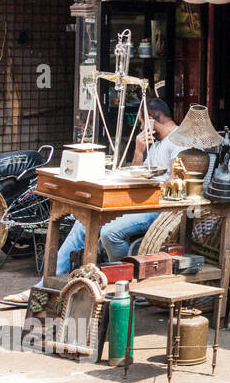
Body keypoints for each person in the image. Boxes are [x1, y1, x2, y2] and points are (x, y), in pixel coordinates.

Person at [54, 99, 180, 275]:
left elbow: (177, 181)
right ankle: (48, 281)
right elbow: (139, 171)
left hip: (159, 208)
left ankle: (120, 277)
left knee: (110, 233)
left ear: (151, 119)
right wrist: (138, 150)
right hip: (140, 203)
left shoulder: (178, 140)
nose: (141, 127)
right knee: (83, 221)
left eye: (142, 122)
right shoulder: (157, 143)